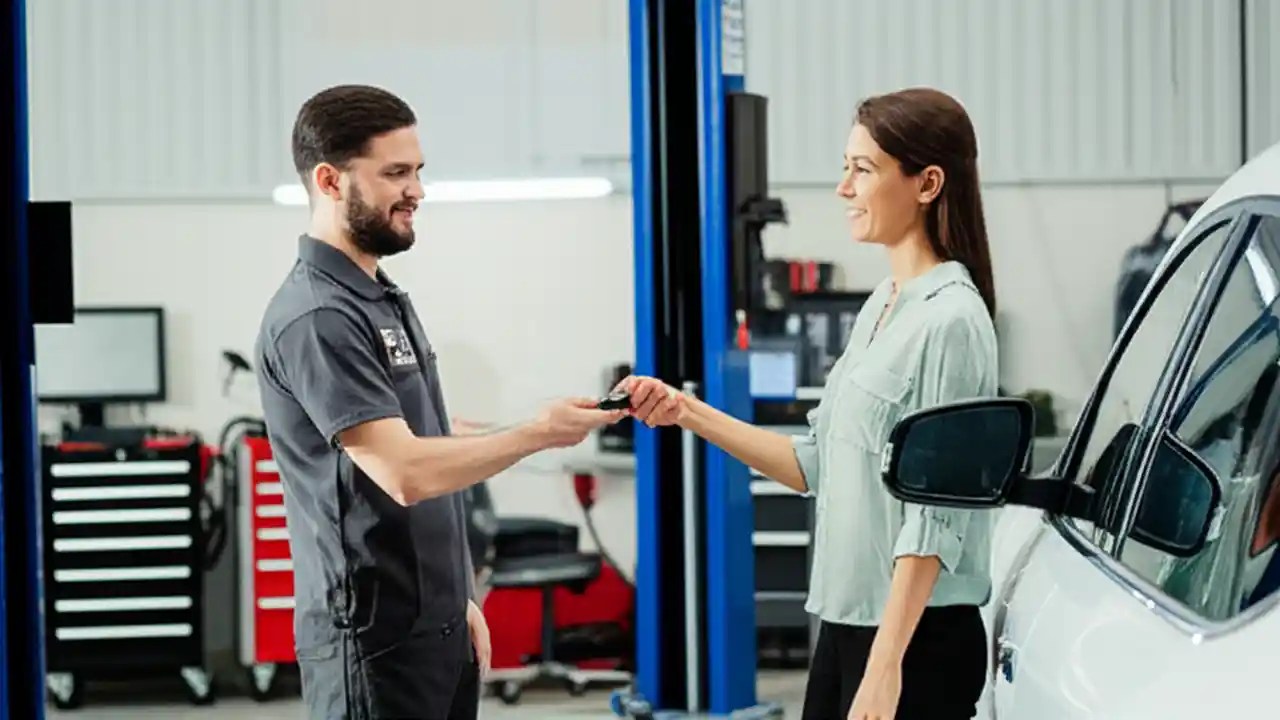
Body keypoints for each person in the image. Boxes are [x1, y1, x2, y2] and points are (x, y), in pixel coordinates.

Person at [253, 84, 625, 720]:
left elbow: (426, 442)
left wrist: (457, 598)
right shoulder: (319, 317)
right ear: (330, 180)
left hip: (434, 628)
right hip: (375, 645)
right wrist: (539, 432)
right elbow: (405, 472)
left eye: (418, 171)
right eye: (395, 173)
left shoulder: (379, 298)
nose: (417, 191)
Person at [626, 87, 998, 719]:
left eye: (863, 169)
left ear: (928, 183)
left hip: (914, 644)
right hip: (850, 626)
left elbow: (935, 516)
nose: (843, 188)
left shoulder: (952, 320)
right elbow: (814, 465)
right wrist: (685, 411)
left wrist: (884, 668)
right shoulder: (883, 305)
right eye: (845, 167)